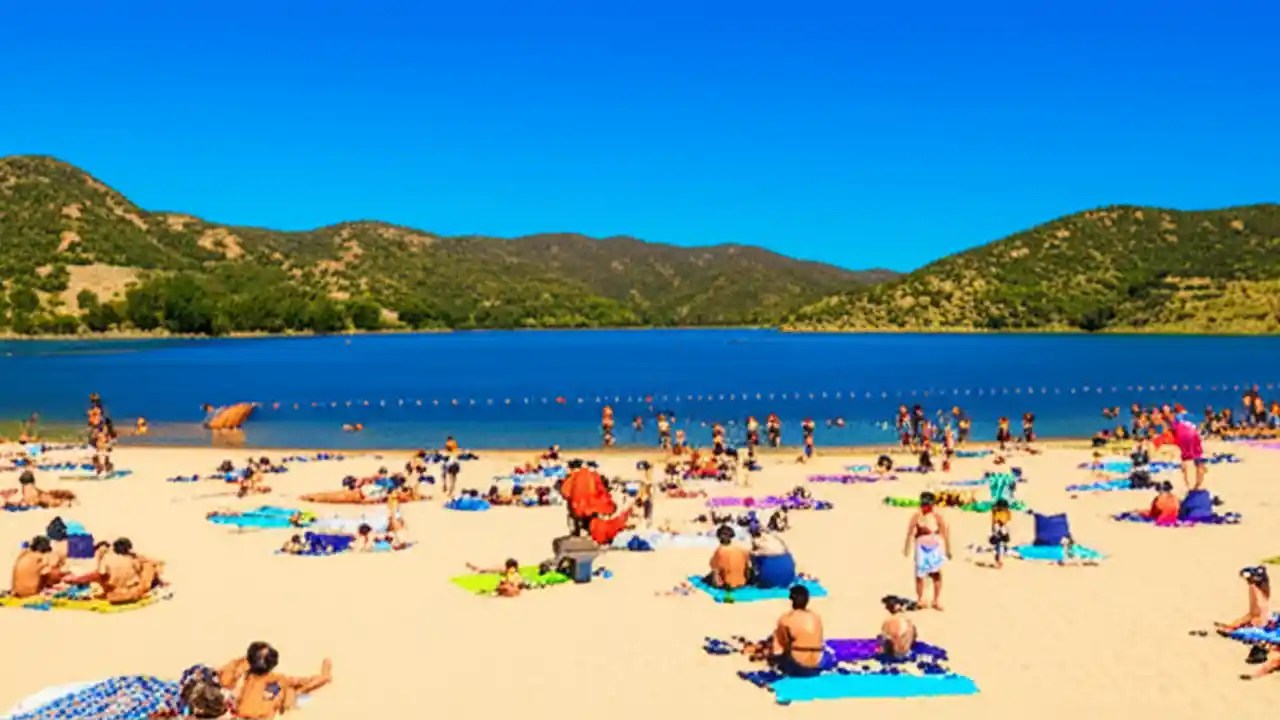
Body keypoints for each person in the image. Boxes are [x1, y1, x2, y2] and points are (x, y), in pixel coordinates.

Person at [218, 642, 332, 719]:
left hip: (241, 714)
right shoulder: (279, 680)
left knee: (295, 694)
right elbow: (311, 682)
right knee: (296, 694)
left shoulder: (241, 673)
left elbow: (223, 680)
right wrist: (325, 673)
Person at [903, 491, 951, 610]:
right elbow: (910, 532)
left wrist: (948, 550)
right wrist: (907, 547)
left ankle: (936, 600)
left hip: (934, 549)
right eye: (924, 504)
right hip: (921, 548)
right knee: (920, 575)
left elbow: (945, 533)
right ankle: (920, 599)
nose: (926, 506)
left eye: (928, 504)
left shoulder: (937, 517)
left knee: (936, 575)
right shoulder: (917, 516)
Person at [768, 585, 826, 676]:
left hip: (799, 664)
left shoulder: (786, 618)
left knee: (777, 636)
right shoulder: (816, 617)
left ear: (791, 600)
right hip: (818, 662)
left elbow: (784, 643)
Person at [99, 537, 163, 604]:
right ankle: (159, 584)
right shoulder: (132, 559)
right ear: (129, 549)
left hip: (113, 595)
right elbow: (140, 570)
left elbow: (102, 574)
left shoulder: (107, 558)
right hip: (132, 593)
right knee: (149, 566)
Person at [1217, 566, 1272, 635]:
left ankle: (1231, 627)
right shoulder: (1265, 589)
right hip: (1264, 620)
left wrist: (1236, 624)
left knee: (1241, 623)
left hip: (1258, 622)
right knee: (1240, 621)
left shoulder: (1254, 588)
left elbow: (1255, 612)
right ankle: (1232, 626)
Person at [707, 524, 750, 590]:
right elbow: (747, 569)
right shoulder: (742, 549)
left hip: (728, 585)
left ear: (718, 537)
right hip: (742, 582)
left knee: (713, 571)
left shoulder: (719, 551)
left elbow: (715, 569)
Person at [990, 498, 1012, 569]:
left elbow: (1005, 523)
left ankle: (999, 560)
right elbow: (996, 523)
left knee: (1000, 545)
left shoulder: (1005, 513)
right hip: (999, 529)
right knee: (998, 546)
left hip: (1002, 529)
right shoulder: (999, 512)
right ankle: (999, 560)